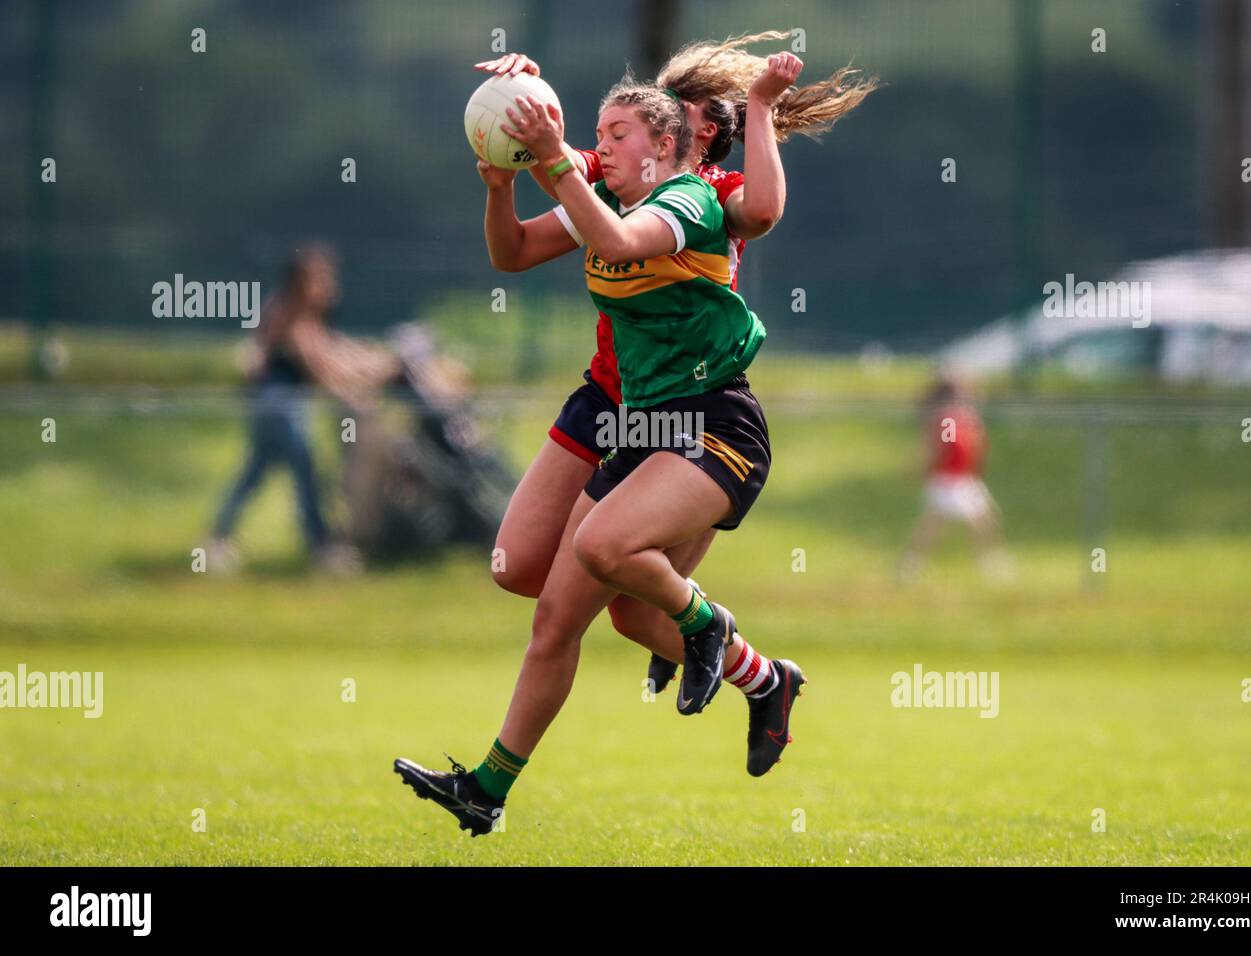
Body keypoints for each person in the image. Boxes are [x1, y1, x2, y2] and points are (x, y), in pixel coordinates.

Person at [396, 76, 818, 835]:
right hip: (636, 420)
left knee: (604, 556)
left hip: (713, 423)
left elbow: (631, 240)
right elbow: (517, 250)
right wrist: (508, 167)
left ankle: (706, 626)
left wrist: (557, 153)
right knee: (558, 601)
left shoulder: (694, 196)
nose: (602, 146)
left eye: (619, 133)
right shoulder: (609, 184)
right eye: (601, 131)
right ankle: (486, 792)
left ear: (672, 141)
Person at [472, 36, 876, 696]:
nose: (650, 121)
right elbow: (541, 186)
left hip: (681, 413)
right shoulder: (614, 173)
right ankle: (730, 654)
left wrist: (764, 108)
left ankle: (718, 650)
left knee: (609, 610)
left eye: (670, 109)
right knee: (517, 569)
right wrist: (519, 102)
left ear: (705, 128)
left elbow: (764, 211)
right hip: (607, 397)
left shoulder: (711, 195)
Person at [208, 244, 393, 574]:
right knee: (304, 468)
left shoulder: (310, 318)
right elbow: (318, 366)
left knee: (257, 470)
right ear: (299, 281)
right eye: (320, 279)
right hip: (277, 404)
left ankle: (218, 539)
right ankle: (321, 546)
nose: (328, 287)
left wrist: (375, 362)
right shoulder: (289, 314)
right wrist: (353, 390)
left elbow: (336, 352)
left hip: (280, 405)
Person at [899, 378, 1011, 582]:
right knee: (935, 525)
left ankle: (990, 562)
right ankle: (910, 564)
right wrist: (920, 466)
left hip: (964, 478)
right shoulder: (949, 418)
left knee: (983, 520)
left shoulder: (965, 417)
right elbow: (943, 446)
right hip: (949, 480)